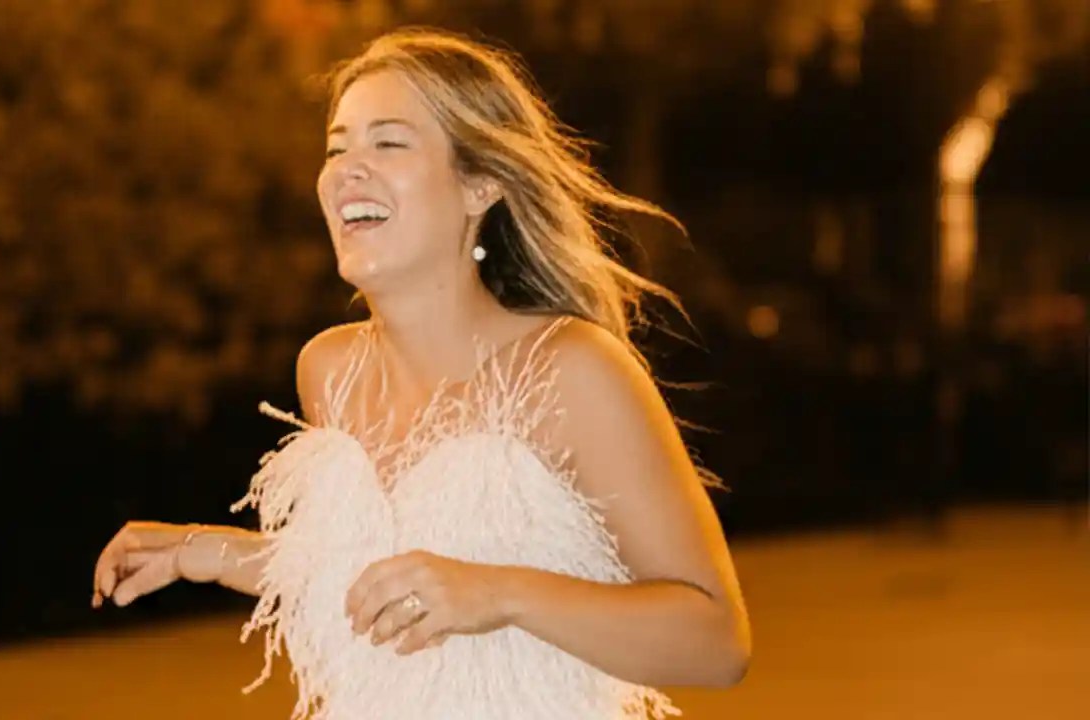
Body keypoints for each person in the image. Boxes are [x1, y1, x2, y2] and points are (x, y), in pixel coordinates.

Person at [92, 28, 750, 719]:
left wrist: (498, 595)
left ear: (481, 185)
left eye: (388, 143)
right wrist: (206, 552)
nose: (347, 168)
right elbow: (367, 578)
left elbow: (715, 642)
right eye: (337, 146)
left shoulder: (571, 369)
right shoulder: (331, 370)